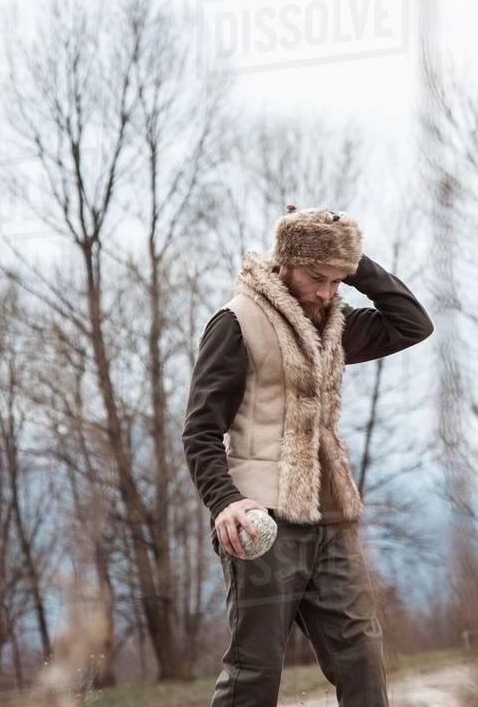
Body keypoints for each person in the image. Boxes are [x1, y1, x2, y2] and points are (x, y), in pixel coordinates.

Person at [181, 204, 434, 706]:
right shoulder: (236, 322)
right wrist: (225, 501)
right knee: (255, 671)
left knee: (362, 658)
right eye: (317, 277)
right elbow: (200, 430)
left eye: (337, 281)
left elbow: (412, 324)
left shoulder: (336, 322)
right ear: (285, 262)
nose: (326, 292)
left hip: (332, 519)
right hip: (262, 520)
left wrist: (349, 257)